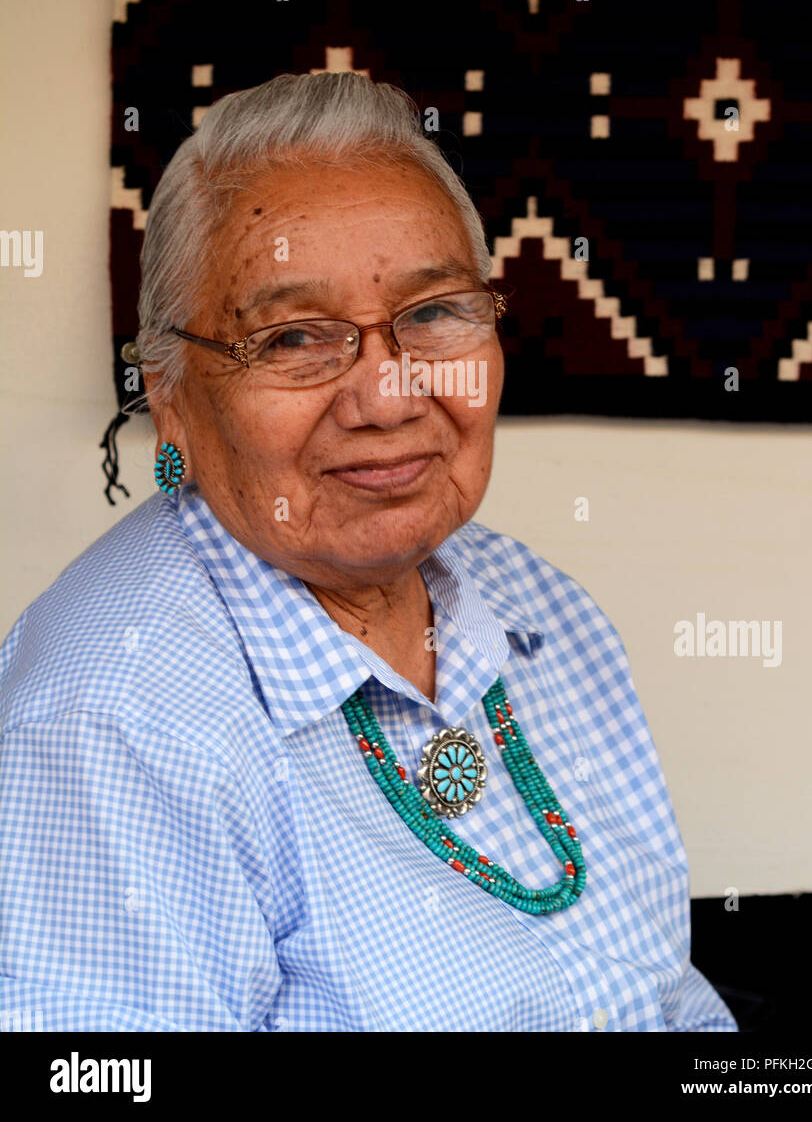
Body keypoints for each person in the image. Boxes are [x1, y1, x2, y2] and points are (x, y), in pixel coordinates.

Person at [0, 72, 737, 1032]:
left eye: (433, 314)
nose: (387, 397)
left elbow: (666, 1002)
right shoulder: (116, 724)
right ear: (172, 395)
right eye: (296, 337)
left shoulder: (544, 615)